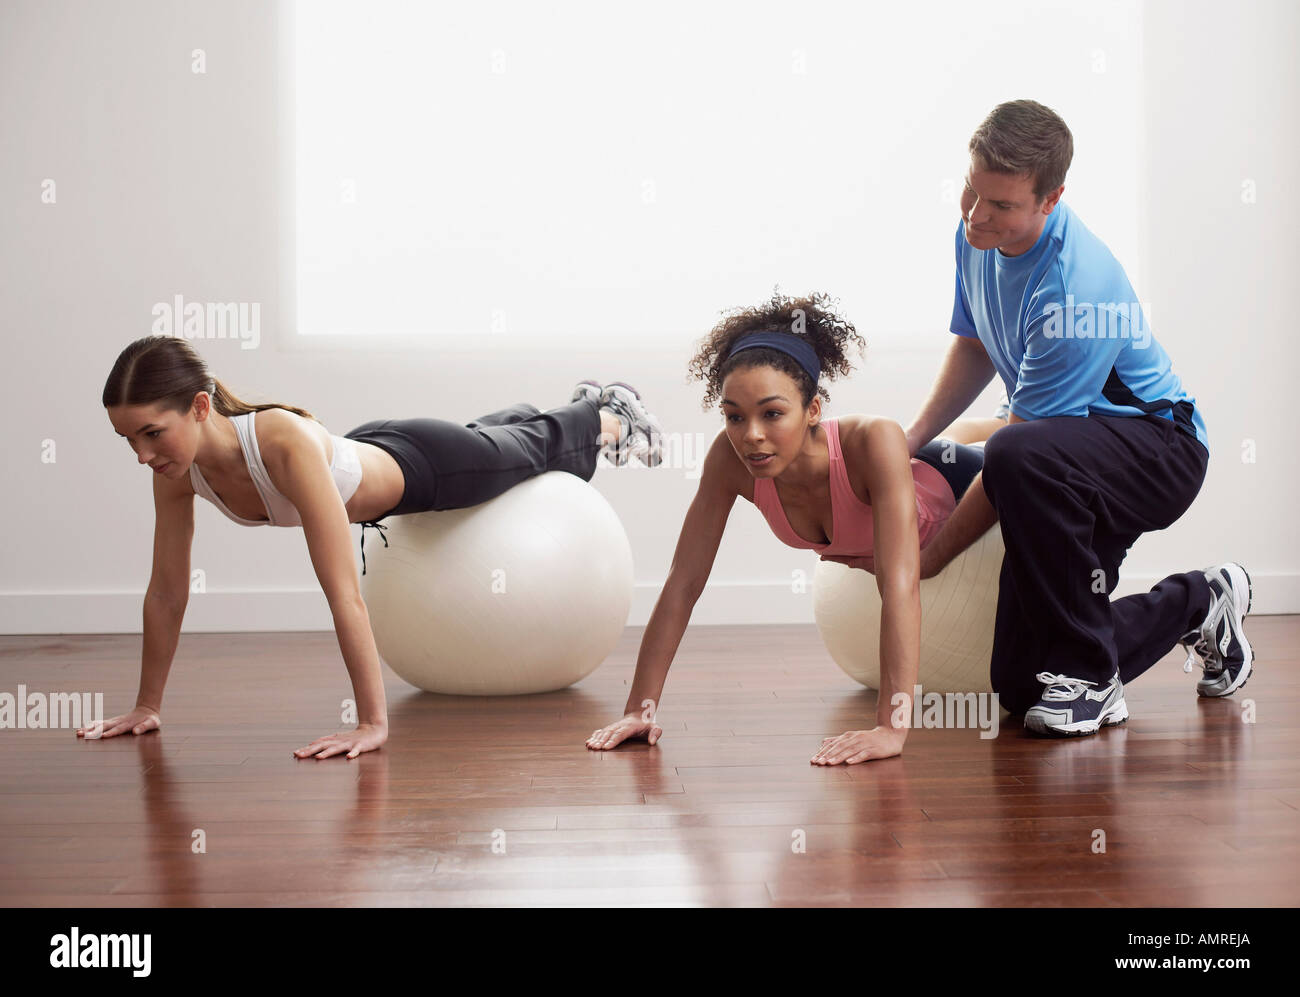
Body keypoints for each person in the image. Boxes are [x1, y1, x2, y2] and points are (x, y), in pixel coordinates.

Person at [84, 335, 663, 759]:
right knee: (498, 440)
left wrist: (371, 722)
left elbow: (344, 594)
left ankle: (608, 415)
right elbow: (165, 593)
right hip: (374, 449)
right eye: (128, 439)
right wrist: (146, 705)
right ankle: (553, 411)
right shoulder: (175, 473)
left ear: (200, 406)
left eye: (152, 433)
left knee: (527, 454)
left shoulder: (279, 443)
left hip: (425, 474)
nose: (142, 454)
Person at [902, 99, 1252, 736]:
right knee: (1019, 683)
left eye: (1002, 205)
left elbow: (1021, 447)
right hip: (1069, 462)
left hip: (1158, 450)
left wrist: (930, 559)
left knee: (1013, 456)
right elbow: (977, 342)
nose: (977, 215)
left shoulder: (1073, 287)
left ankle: (1092, 681)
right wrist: (910, 442)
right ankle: (1202, 601)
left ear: (1050, 198)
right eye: (971, 192)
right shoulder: (976, 234)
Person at [585, 291, 992, 765]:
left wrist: (890, 728)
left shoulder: (873, 438)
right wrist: (639, 710)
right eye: (734, 415)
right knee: (936, 448)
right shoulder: (729, 459)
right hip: (911, 475)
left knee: (997, 450)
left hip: (957, 484)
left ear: (813, 410)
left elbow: (899, 586)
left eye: (772, 413)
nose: (750, 434)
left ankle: (1002, 420)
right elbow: (683, 583)